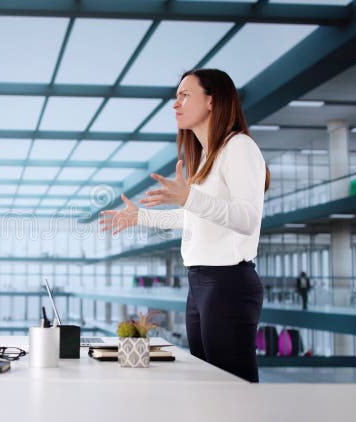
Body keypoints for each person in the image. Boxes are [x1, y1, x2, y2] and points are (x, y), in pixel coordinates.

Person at [99, 68, 269, 383]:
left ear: (211, 101)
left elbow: (247, 219)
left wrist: (190, 196)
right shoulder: (206, 157)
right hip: (201, 283)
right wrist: (141, 216)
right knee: (209, 387)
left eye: (184, 95)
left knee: (233, 392)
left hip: (228, 283)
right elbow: (196, 216)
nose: (175, 104)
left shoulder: (239, 147)